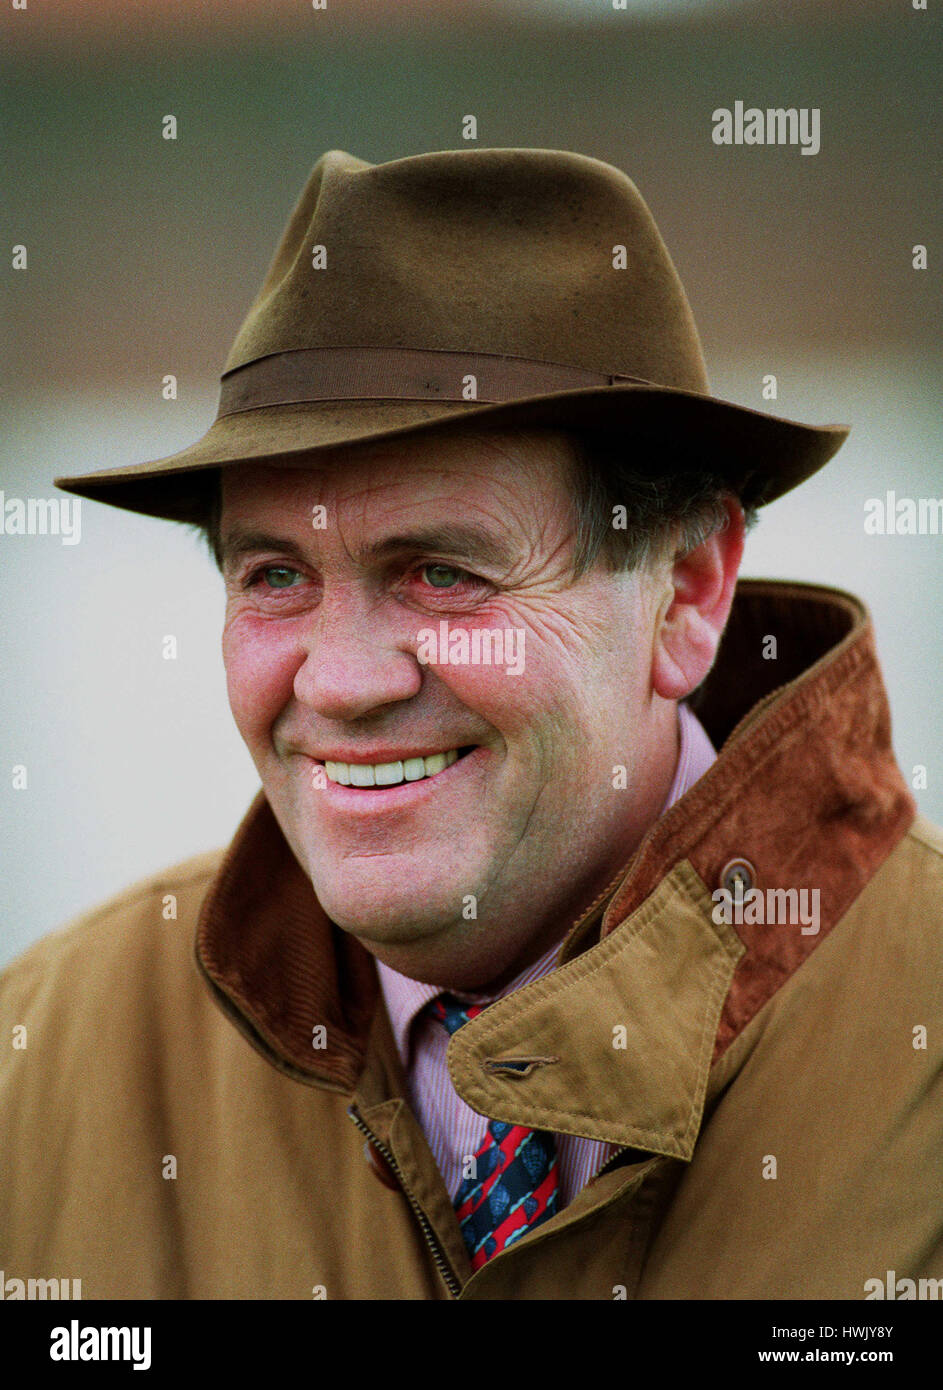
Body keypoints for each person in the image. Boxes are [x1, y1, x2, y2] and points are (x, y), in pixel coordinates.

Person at [1, 148, 940, 1302]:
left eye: (442, 573)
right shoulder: (41, 1062)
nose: (341, 681)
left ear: (688, 591)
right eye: (275, 575)